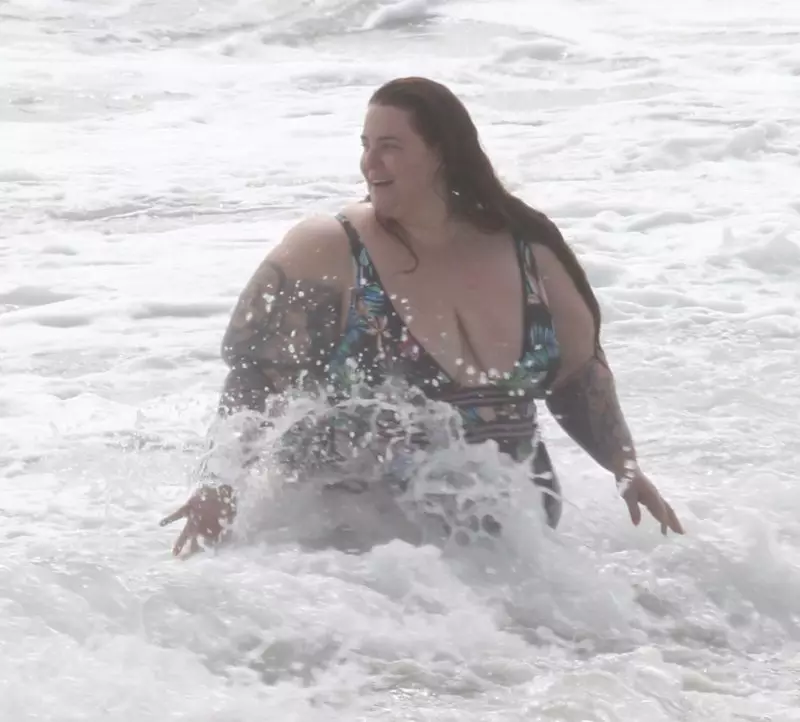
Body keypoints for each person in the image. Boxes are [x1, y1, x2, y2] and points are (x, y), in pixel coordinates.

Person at [160, 76, 684, 557]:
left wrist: (624, 467)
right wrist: (218, 485)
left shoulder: (529, 249)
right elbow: (255, 377)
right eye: (366, 147)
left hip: (513, 548)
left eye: (390, 147)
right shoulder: (329, 249)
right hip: (355, 556)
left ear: (441, 154)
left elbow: (577, 375)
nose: (370, 164)